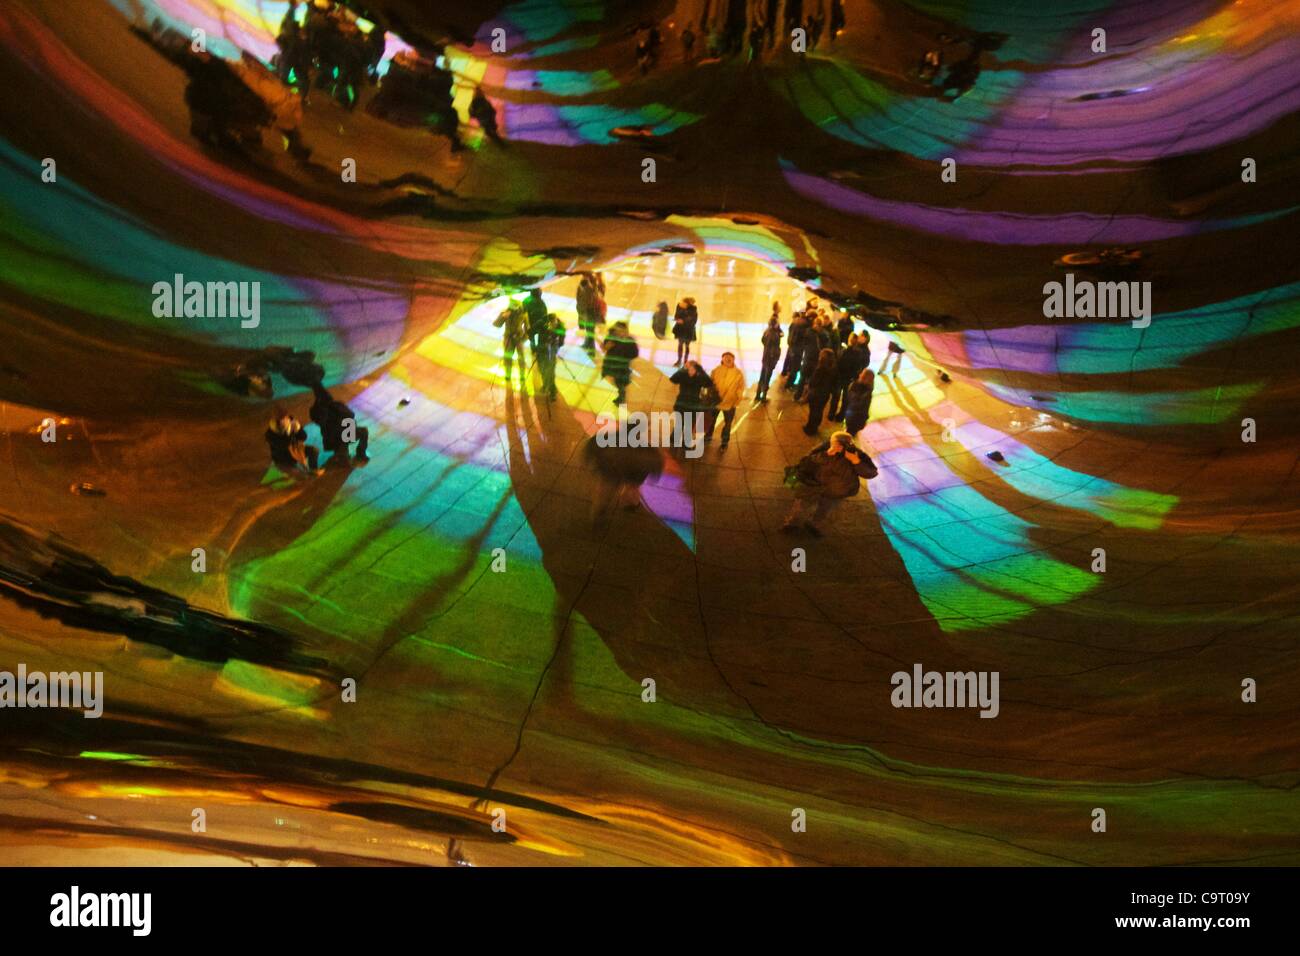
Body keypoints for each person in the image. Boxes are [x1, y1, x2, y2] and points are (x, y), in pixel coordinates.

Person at [781, 431, 878, 536]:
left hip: (836, 492)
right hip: (814, 486)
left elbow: (871, 473)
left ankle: (813, 525)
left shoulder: (856, 454)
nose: (837, 445)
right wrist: (826, 454)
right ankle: (791, 524)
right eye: (834, 442)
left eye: (845, 443)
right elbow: (806, 462)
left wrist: (856, 461)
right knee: (801, 506)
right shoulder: (824, 448)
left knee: (824, 510)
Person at [584, 435, 664, 525]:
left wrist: (590, 461)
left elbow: (592, 446)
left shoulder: (609, 440)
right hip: (631, 474)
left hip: (610, 472)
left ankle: (599, 513)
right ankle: (629, 503)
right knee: (630, 489)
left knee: (605, 493)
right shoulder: (646, 451)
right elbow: (655, 462)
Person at [310, 382, 371, 465]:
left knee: (360, 432)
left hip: (338, 434)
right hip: (338, 435)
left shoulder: (323, 408)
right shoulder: (329, 407)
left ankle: (352, 454)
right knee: (360, 433)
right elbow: (349, 415)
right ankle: (348, 455)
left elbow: (349, 415)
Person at [669, 360, 713, 449]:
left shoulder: (699, 378)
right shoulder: (683, 375)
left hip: (692, 404)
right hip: (682, 403)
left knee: (688, 424)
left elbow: (709, 383)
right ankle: (675, 439)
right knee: (680, 423)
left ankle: (684, 442)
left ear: (697, 370)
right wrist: (682, 369)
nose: (691, 371)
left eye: (694, 369)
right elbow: (673, 379)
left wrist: (701, 370)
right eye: (689, 368)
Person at [706, 351, 745, 446]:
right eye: (726, 357)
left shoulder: (738, 373)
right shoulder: (716, 370)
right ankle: (708, 436)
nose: (728, 359)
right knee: (711, 420)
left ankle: (724, 441)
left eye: (730, 358)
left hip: (730, 403)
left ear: (733, 360)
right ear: (722, 359)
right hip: (716, 402)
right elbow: (710, 384)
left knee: (728, 424)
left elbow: (740, 388)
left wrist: (737, 400)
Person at [829, 333, 870, 420]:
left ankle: (831, 414)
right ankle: (841, 416)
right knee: (845, 399)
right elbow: (860, 367)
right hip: (850, 379)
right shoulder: (858, 353)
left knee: (836, 397)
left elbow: (838, 363)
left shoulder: (845, 351)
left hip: (841, 378)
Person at [600, 320, 638, 406]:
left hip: (622, 366)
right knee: (617, 381)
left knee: (620, 382)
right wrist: (606, 346)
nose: (620, 333)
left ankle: (621, 397)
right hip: (612, 364)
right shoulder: (611, 337)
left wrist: (626, 357)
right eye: (618, 330)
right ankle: (621, 395)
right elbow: (604, 347)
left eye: (622, 331)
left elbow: (635, 354)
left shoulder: (629, 341)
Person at [493, 301, 529, 391]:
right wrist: (503, 317)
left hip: (518, 338)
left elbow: (527, 328)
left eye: (516, 306)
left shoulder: (523, 314)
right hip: (508, 338)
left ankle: (522, 376)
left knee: (521, 358)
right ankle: (508, 375)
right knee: (508, 357)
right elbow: (496, 324)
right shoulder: (505, 313)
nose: (514, 309)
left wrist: (523, 339)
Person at [803, 348, 836, 435]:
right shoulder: (832, 368)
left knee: (813, 411)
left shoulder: (820, 369)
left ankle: (810, 428)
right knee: (819, 411)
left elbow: (813, 382)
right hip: (825, 394)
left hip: (816, 394)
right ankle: (815, 426)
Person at [755, 311, 783, 402]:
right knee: (767, 377)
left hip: (765, 356)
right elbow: (775, 347)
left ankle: (758, 394)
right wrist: (775, 357)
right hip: (771, 358)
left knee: (763, 376)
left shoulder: (767, 331)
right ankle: (764, 396)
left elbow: (763, 340)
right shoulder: (774, 334)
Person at [536, 313, 565, 401]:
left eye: (554, 323)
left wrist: (555, 347)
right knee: (542, 368)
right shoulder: (543, 324)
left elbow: (561, 340)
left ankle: (552, 391)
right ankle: (545, 385)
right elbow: (537, 335)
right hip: (542, 349)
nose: (552, 324)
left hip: (552, 348)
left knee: (550, 370)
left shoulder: (560, 326)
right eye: (551, 323)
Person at [843, 369, 876, 436]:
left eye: (862, 374)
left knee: (850, 432)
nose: (860, 374)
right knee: (851, 431)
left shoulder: (857, 386)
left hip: (855, 416)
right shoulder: (868, 389)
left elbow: (854, 401)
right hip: (858, 416)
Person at [781, 308, 809, 386]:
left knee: (791, 364)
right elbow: (804, 336)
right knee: (795, 367)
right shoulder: (805, 323)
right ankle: (790, 384)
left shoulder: (794, 321)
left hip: (792, 346)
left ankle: (787, 380)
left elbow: (790, 331)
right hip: (798, 348)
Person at [576, 273, 599, 352]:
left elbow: (588, 300)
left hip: (589, 311)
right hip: (585, 311)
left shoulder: (590, 288)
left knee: (590, 330)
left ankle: (591, 349)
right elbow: (579, 298)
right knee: (588, 330)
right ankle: (587, 344)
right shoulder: (585, 286)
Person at [672, 297, 698, 365]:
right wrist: (677, 319)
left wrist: (683, 321)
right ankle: (679, 360)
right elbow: (676, 315)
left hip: (688, 330)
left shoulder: (693, 309)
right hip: (680, 329)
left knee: (686, 345)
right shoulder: (679, 306)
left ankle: (685, 361)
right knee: (680, 344)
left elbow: (694, 320)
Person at [524, 287, 549, 355]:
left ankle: (534, 350)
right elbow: (545, 312)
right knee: (540, 337)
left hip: (531, 323)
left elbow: (523, 312)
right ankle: (538, 350)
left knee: (532, 338)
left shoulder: (526, 300)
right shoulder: (540, 301)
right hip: (538, 323)